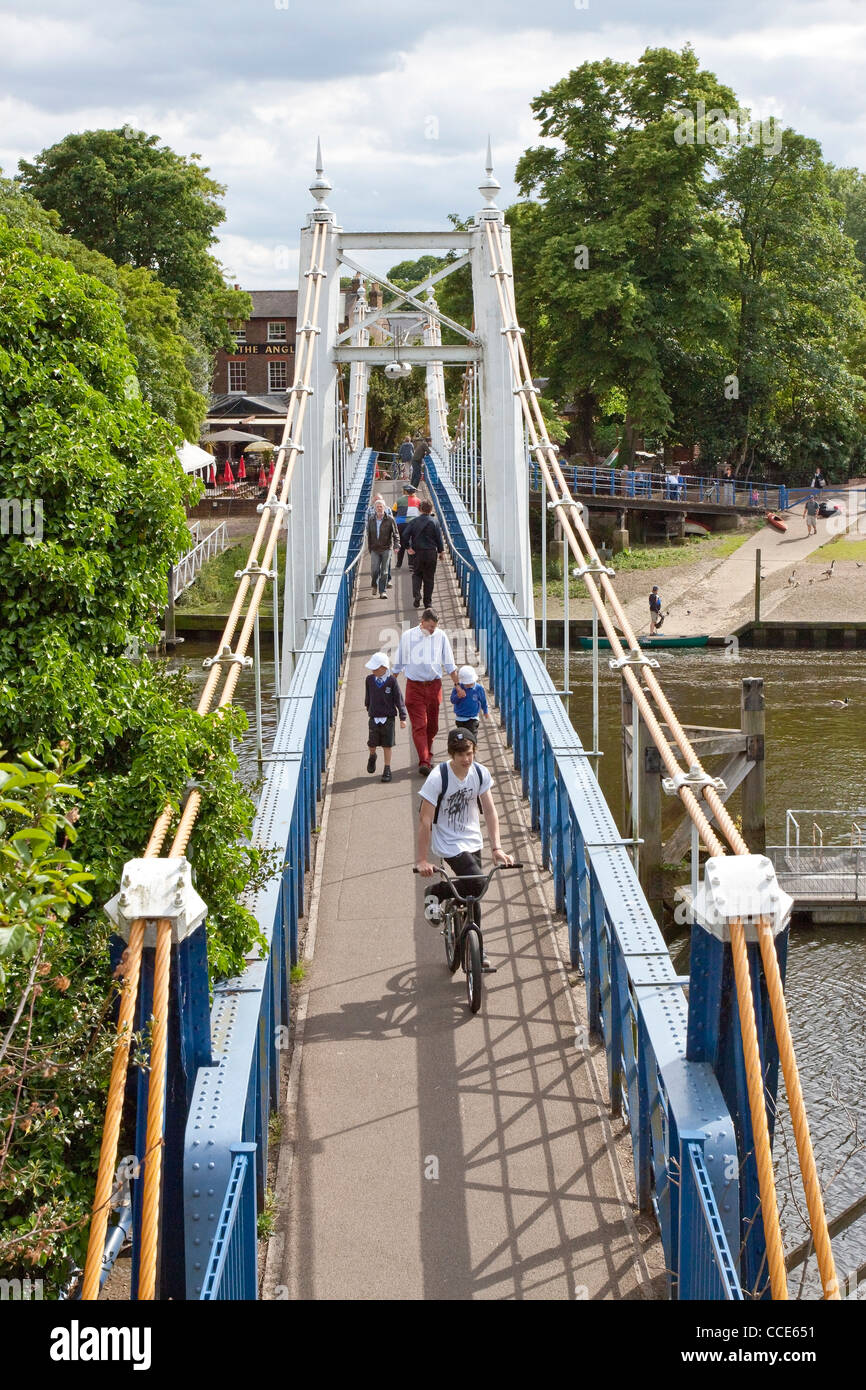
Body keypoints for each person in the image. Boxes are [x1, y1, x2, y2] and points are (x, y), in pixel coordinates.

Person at [415, 727, 513, 970]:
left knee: (473, 895)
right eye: (460, 754)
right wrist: (422, 860)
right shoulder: (439, 777)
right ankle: (436, 890)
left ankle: (478, 946)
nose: (466, 759)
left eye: (469, 753)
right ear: (451, 754)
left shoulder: (479, 773)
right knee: (478, 882)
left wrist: (497, 848)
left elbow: (489, 811)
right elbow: (425, 820)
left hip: (472, 840)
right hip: (448, 843)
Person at [394, 608, 463, 774]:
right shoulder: (408, 636)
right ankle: (424, 761)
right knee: (420, 726)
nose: (432, 630)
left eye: (434, 627)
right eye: (430, 626)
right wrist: (389, 683)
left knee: (432, 727)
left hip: (434, 686)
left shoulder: (440, 636)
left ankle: (427, 753)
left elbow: (449, 663)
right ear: (422, 622)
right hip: (414, 687)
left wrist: (457, 685)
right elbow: (399, 663)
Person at [364, 651, 407, 783]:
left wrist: (402, 717)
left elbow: (398, 699)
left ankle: (387, 768)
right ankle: (372, 755)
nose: (372, 670)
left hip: (388, 718)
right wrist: (368, 707)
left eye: (375, 667)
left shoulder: (391, 681)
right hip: (374, 717)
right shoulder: (369, 680)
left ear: (383, 668)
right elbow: (368, 696)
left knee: (387, 745)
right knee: (372, 743)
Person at [403, 499, 443, 609]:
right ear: (431, 510)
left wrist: (408, 547)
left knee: (417, 574)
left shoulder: (414, 521)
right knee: (429, 578)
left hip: (418, 553)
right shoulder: (434, 522)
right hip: (431, 553)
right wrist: (441, 551)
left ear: (420, 509)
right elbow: (439, 538)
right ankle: (427, 603)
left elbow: (405, 535)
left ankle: (417, 595)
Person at [366, 499, 399, 598]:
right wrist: (370, 548)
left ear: (384, 508)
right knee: (374, 570)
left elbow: (396, 533)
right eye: (377, 507)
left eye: (381, 506)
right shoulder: (371, 519)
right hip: (375, 549)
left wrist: (396, 545)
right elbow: (369, 534)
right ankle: (374, 585)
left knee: (384, 572)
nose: (379, 508)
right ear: (375, 509)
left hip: (386, 548)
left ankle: (382, 592)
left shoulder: (390, 519)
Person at [450, 665, 489, 739]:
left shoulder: (478, 688)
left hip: (472, 718)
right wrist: (458, 696)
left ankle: (473, 749)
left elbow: (483, 700)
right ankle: (464, 750)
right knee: (462, 738)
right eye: (466, 684)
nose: (469, 685)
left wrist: (485, 711)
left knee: (472, 736)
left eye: (471, 683)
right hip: (460, 718)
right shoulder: (458, 688)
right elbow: (452, 700)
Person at [392, 484, 421, 568]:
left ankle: (398, 564)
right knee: (411, 543)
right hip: (413, 524)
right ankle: (411, 564)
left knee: (401, 543)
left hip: (400, 524)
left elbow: (394, 512)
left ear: (405, 491)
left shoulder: (399, 500)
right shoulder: (418, 501)